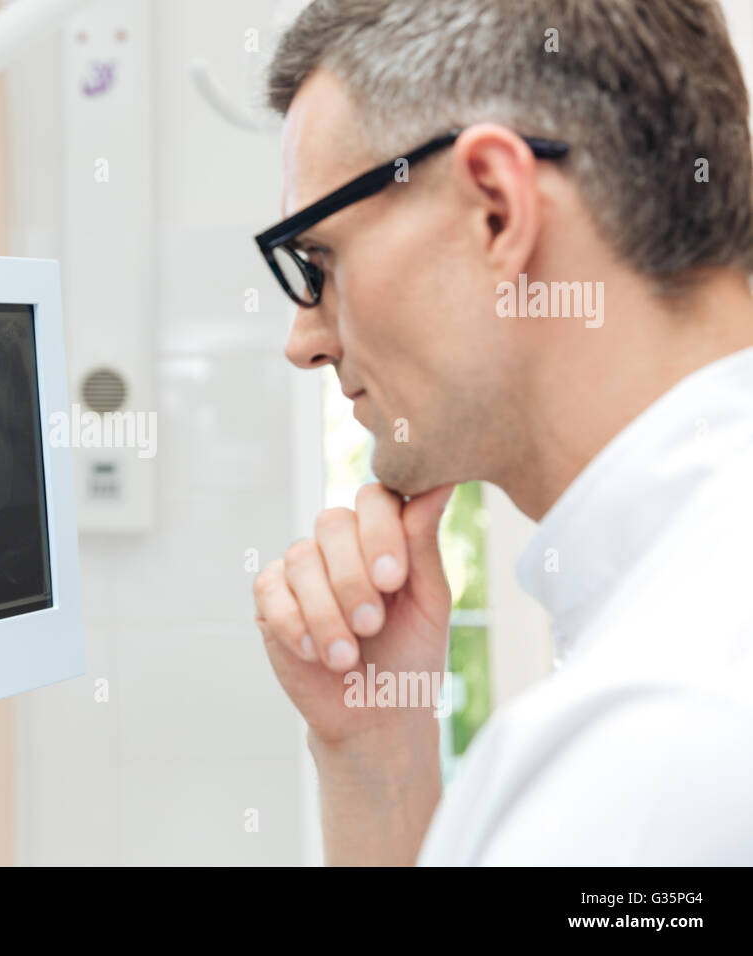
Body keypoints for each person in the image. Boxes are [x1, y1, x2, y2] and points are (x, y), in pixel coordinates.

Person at [251, 0, 753, 865]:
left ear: (496, 206)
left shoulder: (651, 746)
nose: (305, 341)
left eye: (319, 261)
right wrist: (378, 753)